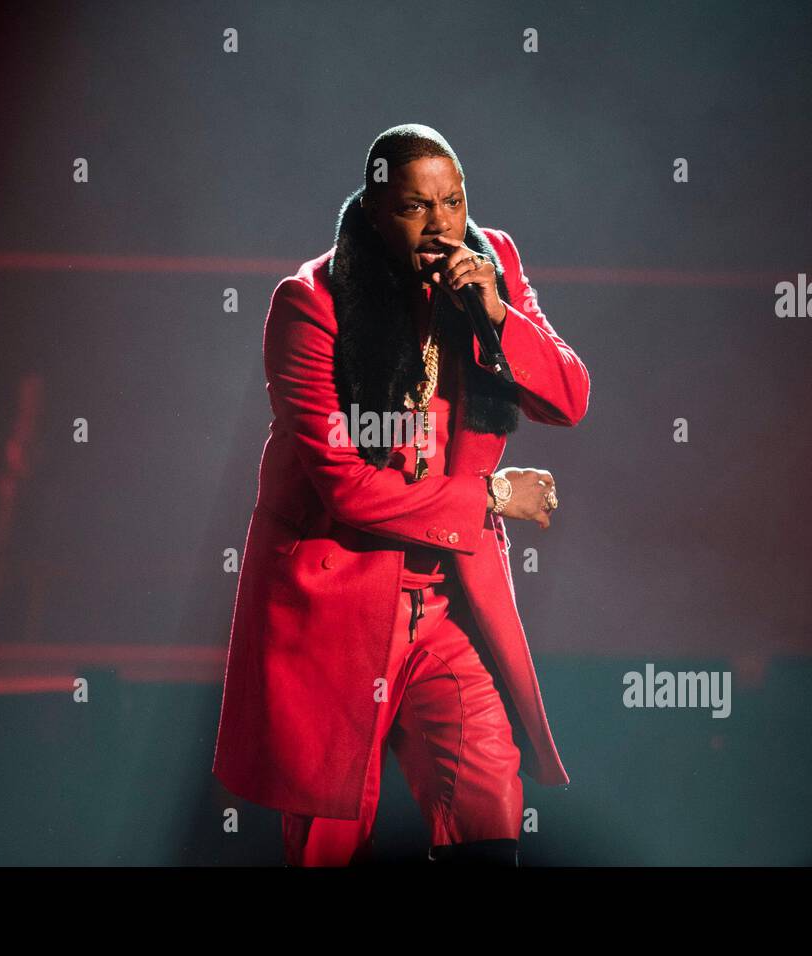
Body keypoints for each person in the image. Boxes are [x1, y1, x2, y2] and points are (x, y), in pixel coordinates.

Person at [212, 124, 590, 866]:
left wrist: (498, 316)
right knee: (330, 836)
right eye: (419, 207)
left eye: (454, 201)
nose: (443, 224)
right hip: (340, 602)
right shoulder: (311, 303)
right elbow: (348, 488)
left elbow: (569, 398)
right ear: (376, 209)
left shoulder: (495, 264)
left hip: (445, 599)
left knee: (488, 795)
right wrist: (490, 499)